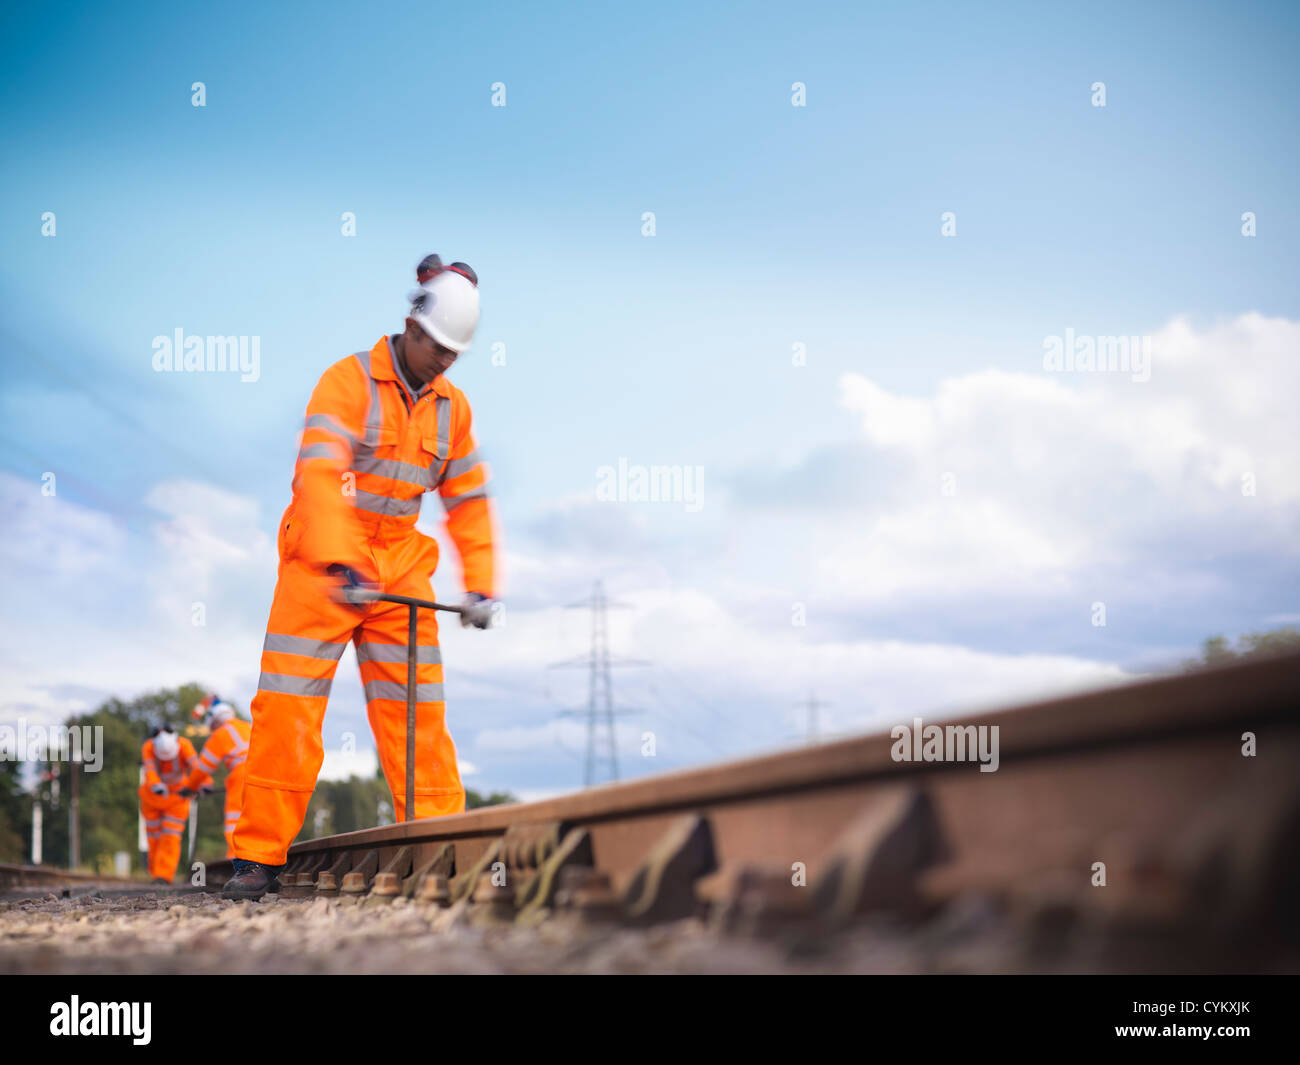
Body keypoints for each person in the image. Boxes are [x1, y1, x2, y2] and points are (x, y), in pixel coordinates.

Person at [223, 255, 499, 900]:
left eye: (456, 355)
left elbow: (470, 501)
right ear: (411, 324)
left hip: (399, 566)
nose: (443, 362)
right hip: (322, 568)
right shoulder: (346, 383)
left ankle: (439, 846)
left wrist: (480, 583)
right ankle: (257, 857)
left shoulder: (451, 410)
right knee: (288, 712)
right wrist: (340, 557)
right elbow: (319, 477)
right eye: (437, 347)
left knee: (420, 715)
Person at [180, 695, 251, 857]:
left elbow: (202, 769)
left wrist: (190, 787)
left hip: (242, 774)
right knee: (258, 817)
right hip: (266, 772)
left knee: (236, 818)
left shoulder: (221, 734)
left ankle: (236, 858)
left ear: (215, 721)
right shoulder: (248, 726)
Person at [139, 724, 200, 884]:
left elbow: (197, 767)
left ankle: (163, 875)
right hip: (153, 798)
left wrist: (200, 784)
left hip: (177, 800)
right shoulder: (148, 747)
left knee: (170, 837)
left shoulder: (184, 745)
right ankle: (156, 873)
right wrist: (156, 785)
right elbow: (150, 769)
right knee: (153, 837)